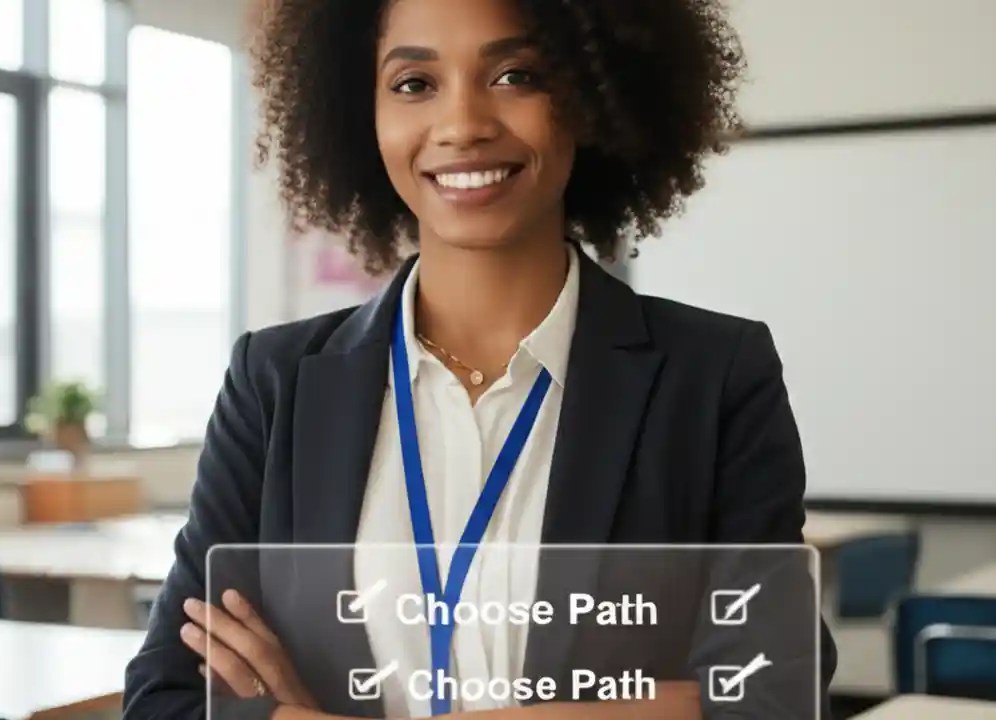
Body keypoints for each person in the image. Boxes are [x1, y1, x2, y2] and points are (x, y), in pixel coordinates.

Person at [124, 0, 836, 718]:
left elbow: (772, 690)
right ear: (357, 110)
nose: (463, 124)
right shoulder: (275, 383)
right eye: (413, 84)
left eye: (515, 75)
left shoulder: (713, 375)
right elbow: (168, 699)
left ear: (590, 97)